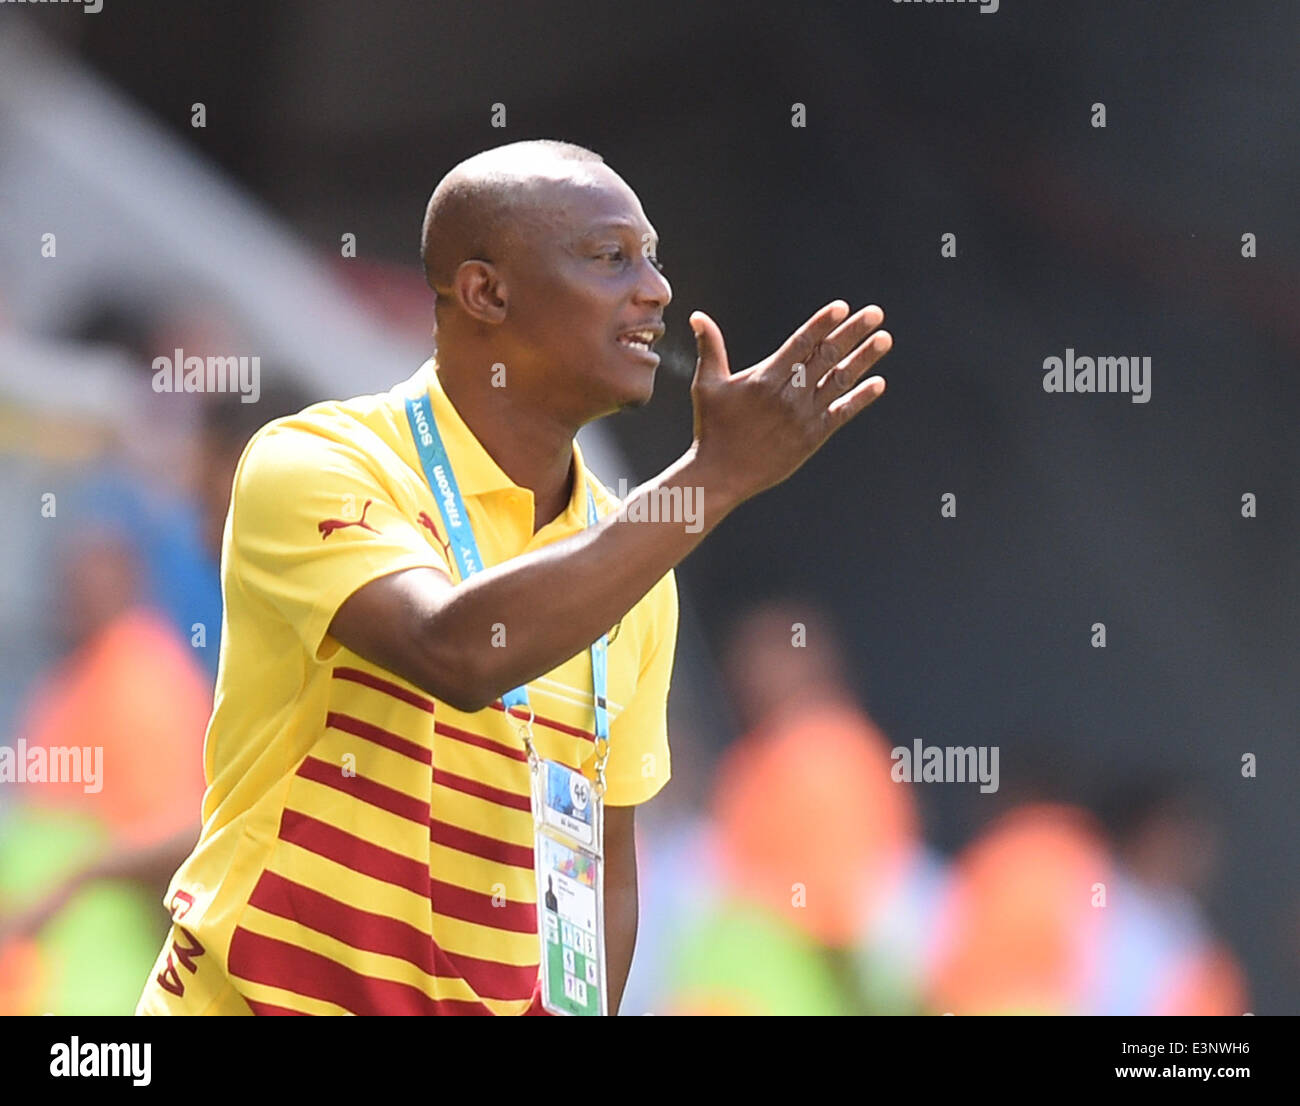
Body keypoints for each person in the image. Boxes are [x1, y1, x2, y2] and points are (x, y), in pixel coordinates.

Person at [135, 138, 893, 1016]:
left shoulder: (635, 564)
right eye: (612, 258)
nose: (655, 289)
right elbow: (453, 649)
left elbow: (605, 872)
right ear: (486, 291)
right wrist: (711, 479)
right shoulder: (318, 463)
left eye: (654, 260)